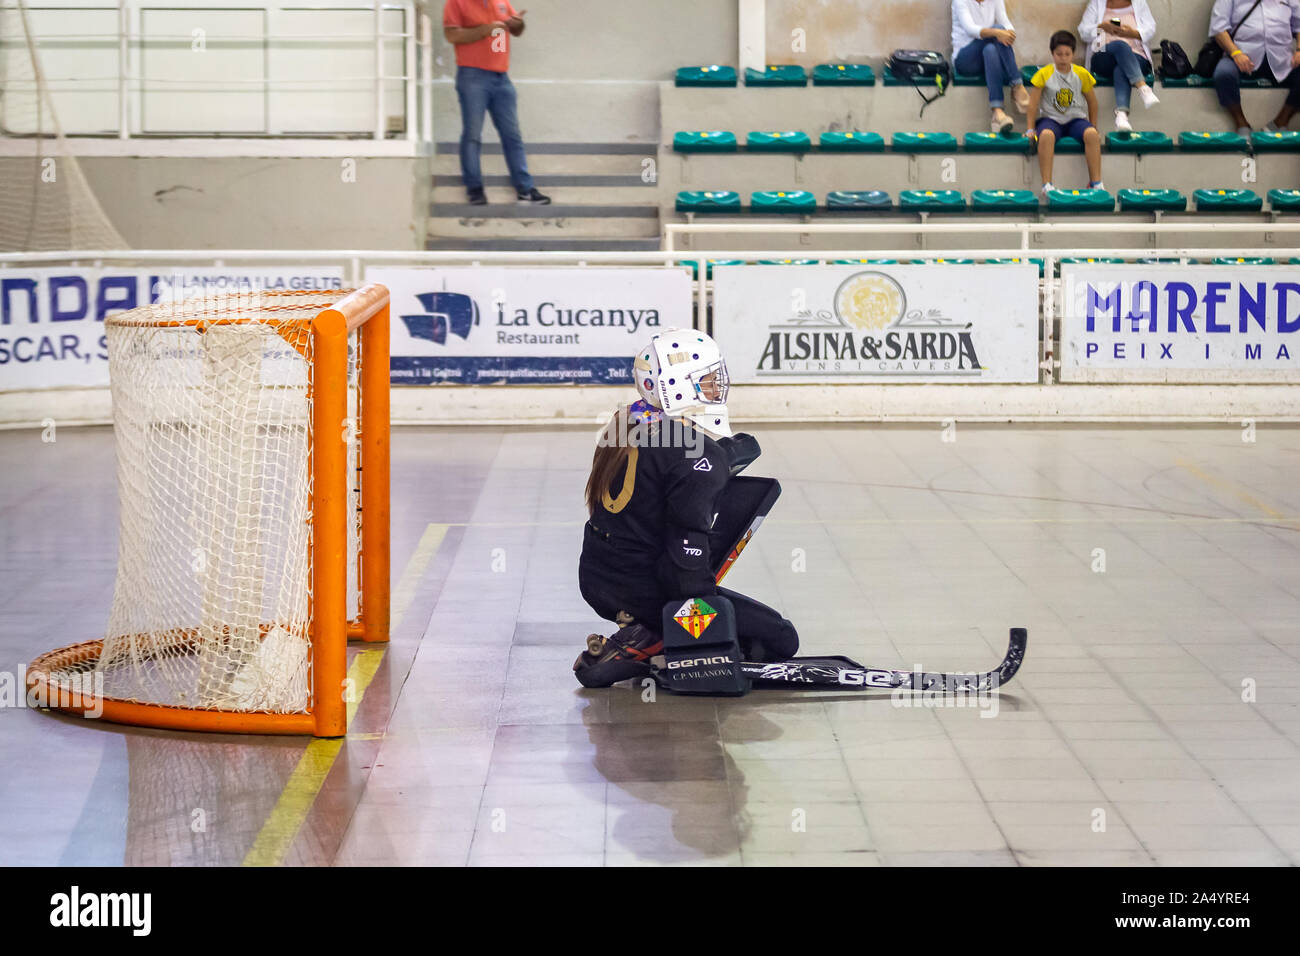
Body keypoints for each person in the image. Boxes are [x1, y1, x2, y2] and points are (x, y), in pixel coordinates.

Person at [574, 328, 799, 688]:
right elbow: (686, 552)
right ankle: (652, 636)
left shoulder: (623, 423)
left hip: (598, 579)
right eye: (707, 380)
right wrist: (702, 623)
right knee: (781, 637)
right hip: (649, 587)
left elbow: (665, 471)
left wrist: (720, 458)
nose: (716, 388)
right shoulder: (696, 453)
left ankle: (641, 629)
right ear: (677, 386)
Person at [442, 0, 550, 205]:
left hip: (501, 77)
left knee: (512, 136)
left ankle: (525, 189)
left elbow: (510, 32)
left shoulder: (500, 1)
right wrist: (485, 30)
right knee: (473, 135)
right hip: (472, 75)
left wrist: (517, 24)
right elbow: (452, 35)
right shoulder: (456, 2)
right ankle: (474, 189)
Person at [1027, 30, 1105, 195]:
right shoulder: (1044, 74)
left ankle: (1096, 182)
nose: (1063, 58)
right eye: (1059, 54)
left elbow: (1092, 102)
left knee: (1092, 135)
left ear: (1073, 54)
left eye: (1067, 54)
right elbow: (1032, 104)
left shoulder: (1081, 74)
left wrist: (1094, 125)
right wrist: (1029, 128)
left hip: (1076, 120)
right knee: (1046, 136)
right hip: (1051, 120)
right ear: (1052, 54)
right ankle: (1047, 184)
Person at [1208, 0, 1300, 135]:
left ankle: (1280, 122)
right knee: (1223, 74)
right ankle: (1241, 124)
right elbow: (1218, 29)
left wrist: (1299, 49)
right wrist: (1235, 53)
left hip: (1281, 58)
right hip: (1241, 55)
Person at [1078, 0, 1161, 133]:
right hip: (1103, 57)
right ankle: (1142, 87)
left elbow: (1150, 28)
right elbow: (1083, 32)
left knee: (1121, 67)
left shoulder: (1139, 3)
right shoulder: (1096, 4)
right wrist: (1101, 27)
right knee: (1120, 45)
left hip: (1136, 56)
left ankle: (1122, 116)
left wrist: (1132, 33)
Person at [952, 0, 1031, 134]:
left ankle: (997, 111)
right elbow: (970, 29)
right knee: (998, 31)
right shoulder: (960, 1)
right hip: (965, 59)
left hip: (987, 56)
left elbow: (1005, 22)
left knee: (990, 50)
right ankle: (1017, 86)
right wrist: (997, 32)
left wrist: (1009, 33)